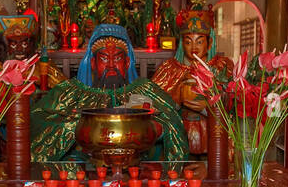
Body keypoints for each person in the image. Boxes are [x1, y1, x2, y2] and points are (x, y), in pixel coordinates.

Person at [30, 23, 188, 162]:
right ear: (93, 63)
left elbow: (173, 121)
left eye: (118, 59)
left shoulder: (146, 89)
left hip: (137, 168)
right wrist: (73, 126)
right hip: (84, 172)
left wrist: (154, 128)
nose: (111, 65)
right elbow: (37, 120)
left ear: (127, 63)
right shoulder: (70, 92)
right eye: (104, 59)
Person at [152, 4, 232, 154]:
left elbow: (235, 104)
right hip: (179, 137)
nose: (193, 47)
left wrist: (207, 107)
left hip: (213, 139)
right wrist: (177, 99)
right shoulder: (169, 69)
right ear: (182, 44)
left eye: (199, 41)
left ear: (209, 43)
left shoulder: (223, 66)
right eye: (188, 42)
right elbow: (153, 105)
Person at [0, 11, 64, 87]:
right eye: (13, 45)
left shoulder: (42, 67)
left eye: (24, 44)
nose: (19, 50)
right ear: (2, 48)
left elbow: (65, 89)